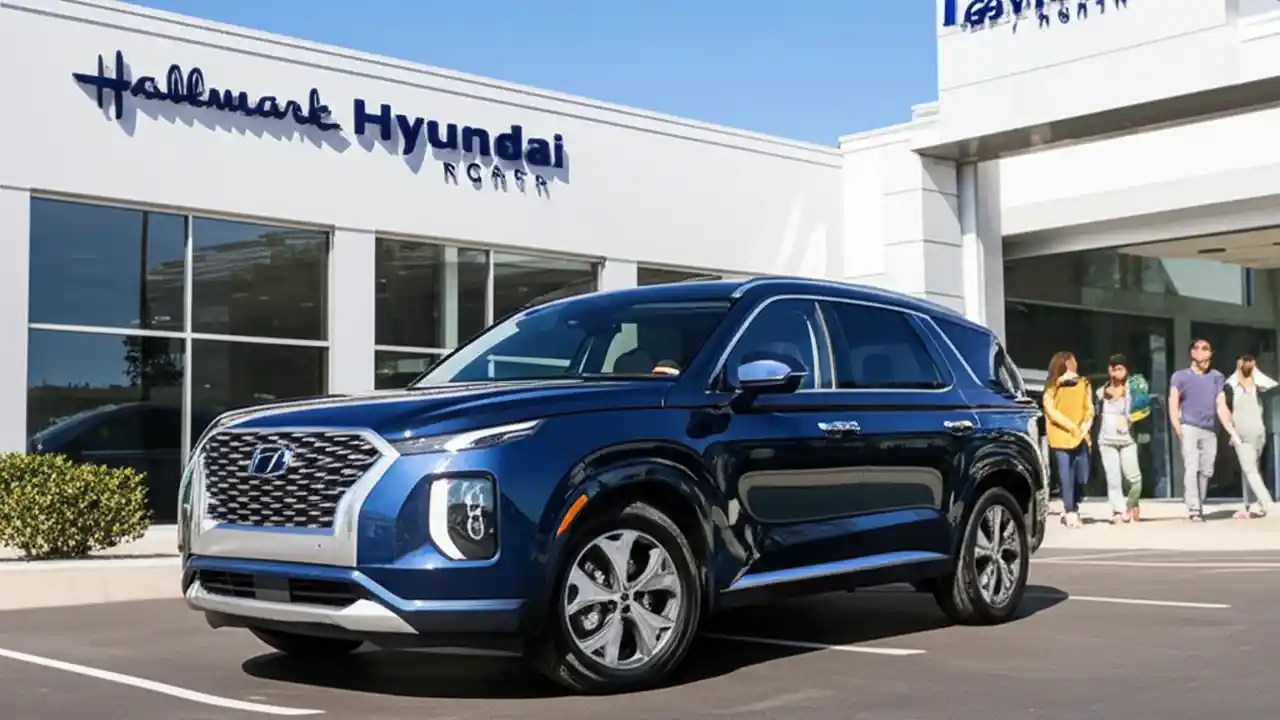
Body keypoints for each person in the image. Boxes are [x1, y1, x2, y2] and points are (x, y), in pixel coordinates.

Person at [1169, 338, 1240, 522]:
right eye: (1203, 350)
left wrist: (1231, 430)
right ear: (1193, 353)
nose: (1207, 355)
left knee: (1206, 469)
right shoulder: (1180, 376)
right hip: (1189, 427)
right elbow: (1173, 403)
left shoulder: (1216, 377)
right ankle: (1194, 509)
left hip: (1210, 429)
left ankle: (1198, 503)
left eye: (1209, 350)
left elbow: (1220, 405)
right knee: (1191, 467)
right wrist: (1178, 428)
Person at [1095, 354, 1149, 524]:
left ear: (1126, 370)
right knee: (1113, 480)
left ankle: (1131, 504)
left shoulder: (1133, 389)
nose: (1116, 373)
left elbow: (1143, 405)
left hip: (1128, 440)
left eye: (1120, 369)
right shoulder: (1101, 392)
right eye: (1113, 369)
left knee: (1134, 479)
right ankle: (1118, 511)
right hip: (1107, 441)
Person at [1043, 351, 1093, 528]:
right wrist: (1073, 427)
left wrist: (1085, 426)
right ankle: (1070, 510)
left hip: (1081, 436)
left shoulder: (1083, 383)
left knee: (1083, 476)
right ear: (1065, 364)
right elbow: (1051, 411)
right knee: (1066, 475)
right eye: (1072, 361)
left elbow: (1089, 408)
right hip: (1061, 436)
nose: (1075, 363)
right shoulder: (1052, 386)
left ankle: (1075, 504)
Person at [1225, 353, 1277, 519]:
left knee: (1250, 470)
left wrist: (1254, 371)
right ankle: (1254, 505)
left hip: (1252, 434)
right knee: (1250, 469)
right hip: (1248, 434)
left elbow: (1273, 386)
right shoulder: (1233, 385)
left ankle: (1263, 504)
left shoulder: (1253, 384)